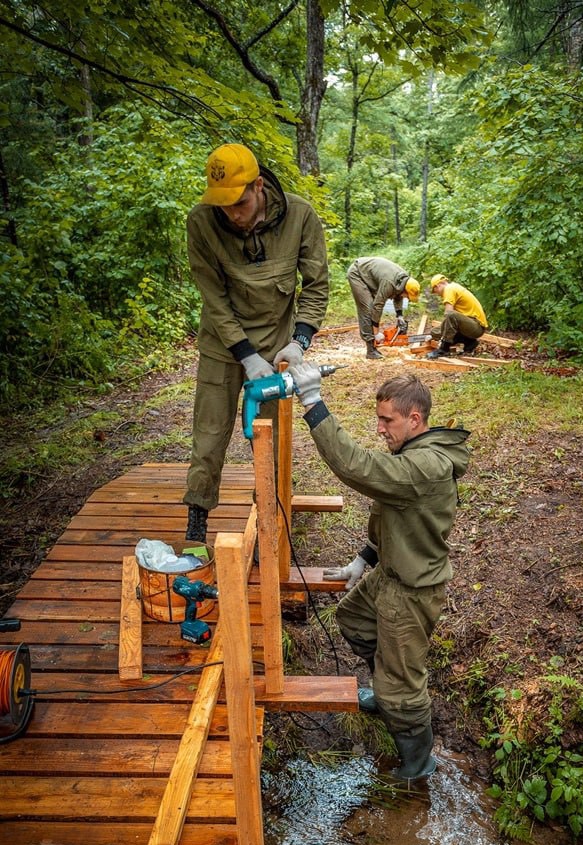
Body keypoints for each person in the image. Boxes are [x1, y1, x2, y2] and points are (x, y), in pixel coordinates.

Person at [288, 364, 471, 781]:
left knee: (403, 687)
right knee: (353, 619)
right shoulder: (410, 455)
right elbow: (390, 514)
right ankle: (389, 691)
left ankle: (417, 765)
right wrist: (363, 559)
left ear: (415, 419)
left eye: (387, 420)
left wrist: (314, 404)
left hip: (412, 590)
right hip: (389, 575)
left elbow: (358, 468)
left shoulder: (426, 466)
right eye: (378, 419)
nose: (380, 429)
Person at [183, 143, 329, 543]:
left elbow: (317, 286)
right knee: (210, 434)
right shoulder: (201, 222)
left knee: (269, 439)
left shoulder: (300, 215)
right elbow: (213, 298)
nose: (232, 213)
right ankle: (197, 518)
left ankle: (270, 520)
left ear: (259, 187)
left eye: (240, 202)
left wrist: (299, 342)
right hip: (222, 344)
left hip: (277, 345)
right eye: (223, 205)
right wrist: (244, 356)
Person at [346, 257, 421, 360]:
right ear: (406, 290)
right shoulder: (389, 282)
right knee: (368, 308)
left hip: (370, 277)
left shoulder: (403, 280)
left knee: (371, 308)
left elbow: (398, 295)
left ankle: (373, 344)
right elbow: (378, 306)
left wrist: (399, 316)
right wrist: (376, 332)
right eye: (407, 296)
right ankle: (371, 349)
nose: (407, 298)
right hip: (358, 274)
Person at [427, 274, 488, 358]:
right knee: (437, 331)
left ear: (438, 286)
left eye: (435, 291)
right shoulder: (454, 287)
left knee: (450, 315)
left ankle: (443, 350)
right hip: (473, 326)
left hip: (476, 326)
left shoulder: (449, 289)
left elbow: (449, 314)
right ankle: (469, 342)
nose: (437, 294)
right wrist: (435, 333)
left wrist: (442, 336)